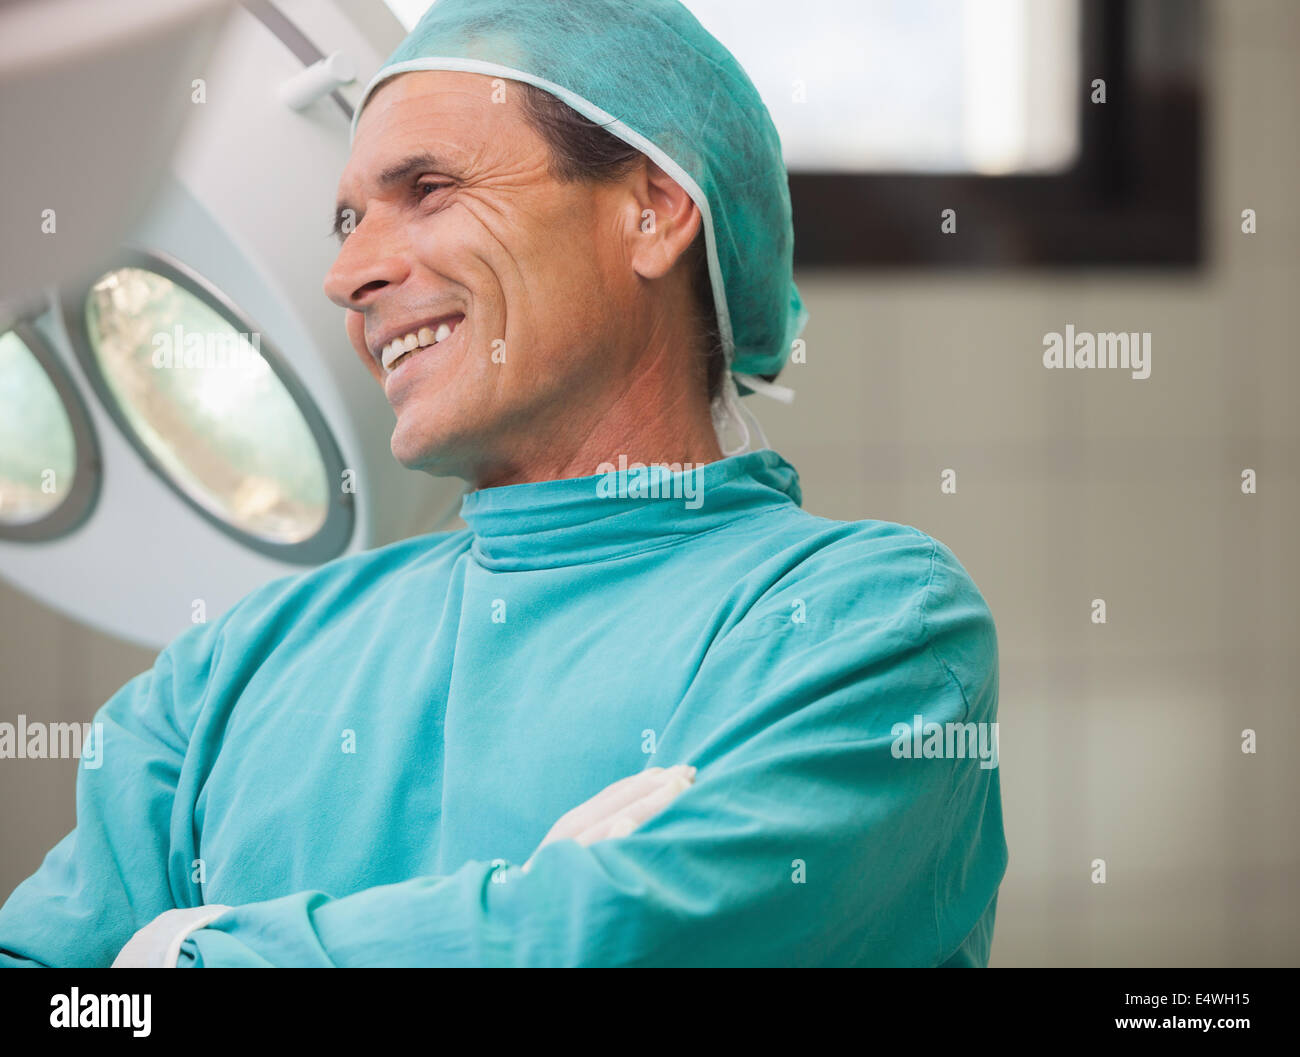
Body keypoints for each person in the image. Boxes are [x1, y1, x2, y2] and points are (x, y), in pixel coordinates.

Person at [0, 0, 1006, 967]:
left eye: (427, 188)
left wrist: (172, 951)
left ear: (652, 211)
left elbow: (612, 944)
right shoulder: (226, 671)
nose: (346, 275)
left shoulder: (865, 624)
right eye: (345, 220)